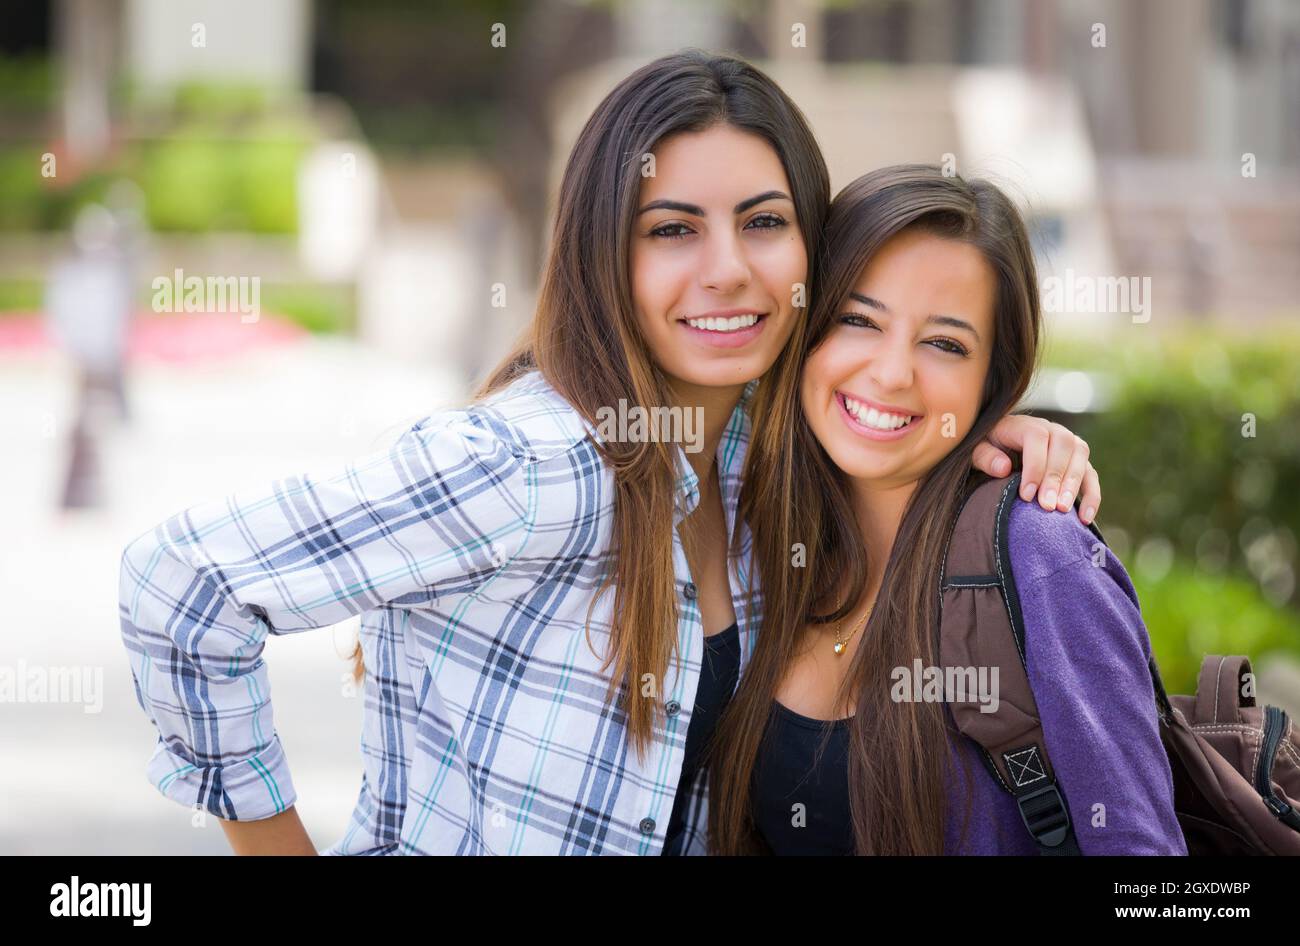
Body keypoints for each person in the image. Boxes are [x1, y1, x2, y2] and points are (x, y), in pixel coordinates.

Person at [118, 53, 1099, 856]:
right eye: (671, 230)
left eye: (763, 221)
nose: (727, 267)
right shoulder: (534, 461)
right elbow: (181, 581)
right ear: (604, 252)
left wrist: (981, 431)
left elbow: (887, 396)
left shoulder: (759, 468)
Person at [707, 165, 1183, 855]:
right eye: (858, 320)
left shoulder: (1039, 557)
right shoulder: (756, 540)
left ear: (993, 379)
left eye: (945, 344)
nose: (893, 372)